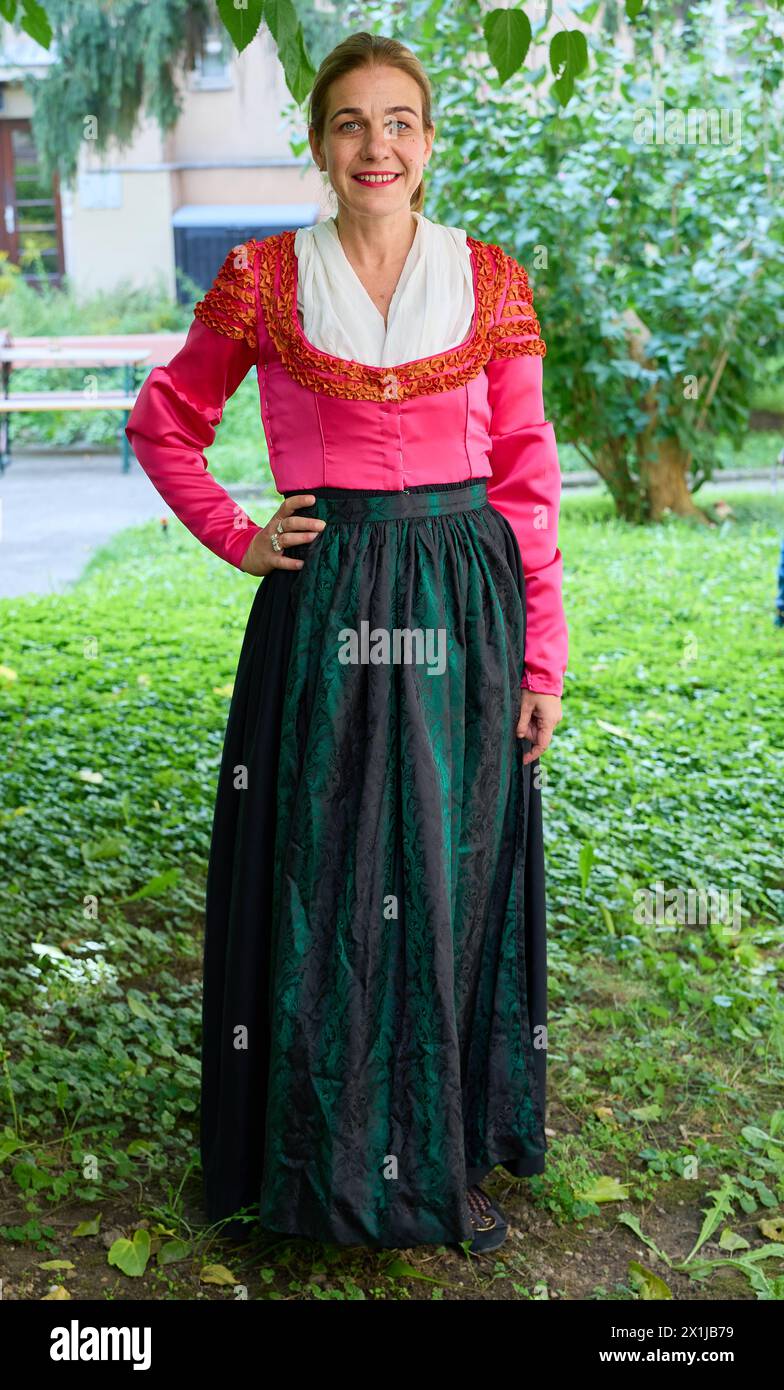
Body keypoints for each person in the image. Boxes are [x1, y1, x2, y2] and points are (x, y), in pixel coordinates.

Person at [125, 30, 567, 1257]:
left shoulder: (490, 280)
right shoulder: (266, 279)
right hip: (325, 605)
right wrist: (235, 533)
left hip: (464, 598)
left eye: (400, 122)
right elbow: (164, 423)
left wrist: (542, 660)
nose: (378, 146)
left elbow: (528, 478)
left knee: (443, 857)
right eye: (350, 123)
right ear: (319, 145)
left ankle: (433, 1136)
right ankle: (319, 1157)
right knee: (320, 861)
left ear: (428, 144)